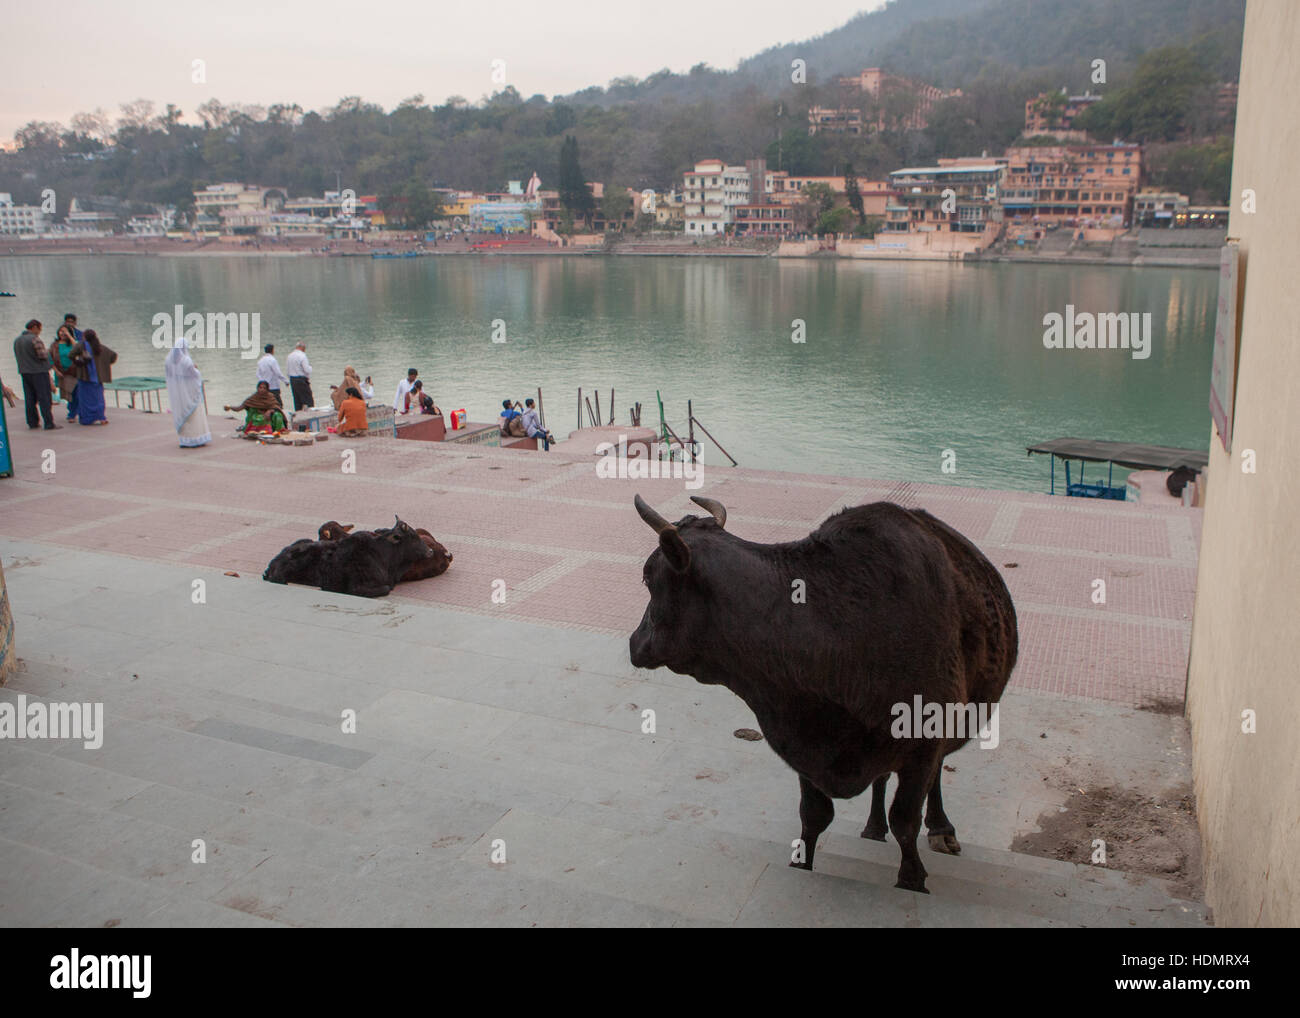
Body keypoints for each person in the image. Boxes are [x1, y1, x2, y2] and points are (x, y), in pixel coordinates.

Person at [163, 335, 211, 448]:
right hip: (190, 393)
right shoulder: (186, 360)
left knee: (182, 414)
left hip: (177, 394)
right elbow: (195, 375)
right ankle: (196, 439)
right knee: (194, 417)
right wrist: (196, 369)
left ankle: (184, 440)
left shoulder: (168, 360)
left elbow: (170, 376)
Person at [13, 319, 58, 430]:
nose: (40, 331)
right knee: (44, 398)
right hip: (39, 372)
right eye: (39, 329)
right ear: (34, 328)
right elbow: (43, 356)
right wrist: (48, 353)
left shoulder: (17, 340)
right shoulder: (35, 339)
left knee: (29, 398)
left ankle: (32, 422)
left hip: (25, 372)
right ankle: (48, 423)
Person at [72, 329, 116, 426]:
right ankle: (101, 417)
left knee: (85, 399)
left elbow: (71, 355)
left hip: (85, 377)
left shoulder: (82, 346)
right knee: (99, 398)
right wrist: (104, 365)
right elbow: (113, 356)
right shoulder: (101, 348)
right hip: (98, 378)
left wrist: (78, 362)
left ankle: (87, 419)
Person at [52, 314, 82, 420]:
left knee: (77, 393)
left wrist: (70, 336)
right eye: (61, 331)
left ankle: (74, 413)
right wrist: (56, 371)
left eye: (64, 332)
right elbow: (50, 360)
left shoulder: (73, 343)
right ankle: (72, 412)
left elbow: (78, 348)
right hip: (62, 373)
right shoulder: (55, 345)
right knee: (68, 394)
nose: (62, 333)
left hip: (74, 372)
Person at [285, 341, 314, 410]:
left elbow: (288, 371)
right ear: (303, 348)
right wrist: (311, 368)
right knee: (308, 400)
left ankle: (298, 415)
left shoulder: (290, 356)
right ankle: (311, 416)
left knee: (297, 400)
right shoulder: (302, 356)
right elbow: (307, 370)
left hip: (292, 379)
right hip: (301, 380)